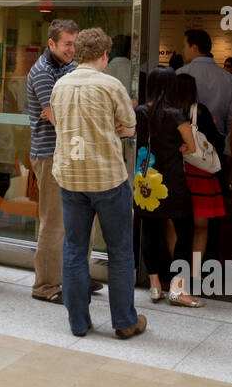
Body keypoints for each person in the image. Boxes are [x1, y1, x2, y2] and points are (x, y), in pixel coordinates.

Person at [48, 28, 144, 339]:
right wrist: (116, 128)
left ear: (77, 53)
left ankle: (78, 322)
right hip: (107, 178)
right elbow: (129, 126)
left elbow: (58, 123)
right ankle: (125, 321)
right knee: (119, 251)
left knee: (75, 249)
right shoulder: (110, 85)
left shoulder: (60, 86)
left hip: (71, 177)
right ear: (104, 55)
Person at [27, 18, 98, 305]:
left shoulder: (69, 67)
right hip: (51, 156)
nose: (73, 49)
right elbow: (57, 117)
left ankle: (76, 277)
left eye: (75, 43)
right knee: (54, 224)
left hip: (73, 152)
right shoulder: (43, 72)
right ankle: (45, 286)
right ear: (52, 43)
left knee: (83, 221)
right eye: (68, 44)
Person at [135, 67, 203, 307]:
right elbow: (192, 146)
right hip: (172, 181)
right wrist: (181, 148)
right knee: (184, 232)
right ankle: (178, 288)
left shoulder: (139, 112)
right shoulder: (175, 115)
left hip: (146, 181)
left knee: (149, 230)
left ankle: (154, 285)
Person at [173, 72, 224, 270]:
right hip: (201, 174)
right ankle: (194, 271)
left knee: (174, 225)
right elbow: (217, 141)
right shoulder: (201, 112)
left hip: (178, 172)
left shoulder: (169, 111)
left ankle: (178, 269)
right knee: (201, 226)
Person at [176, 28, 232, 157]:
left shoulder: (181, 74)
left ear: (194, 47)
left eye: (184, 46)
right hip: (217, 141)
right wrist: (228, 145)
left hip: (186, 142)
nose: (183, 50)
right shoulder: (227, 76)